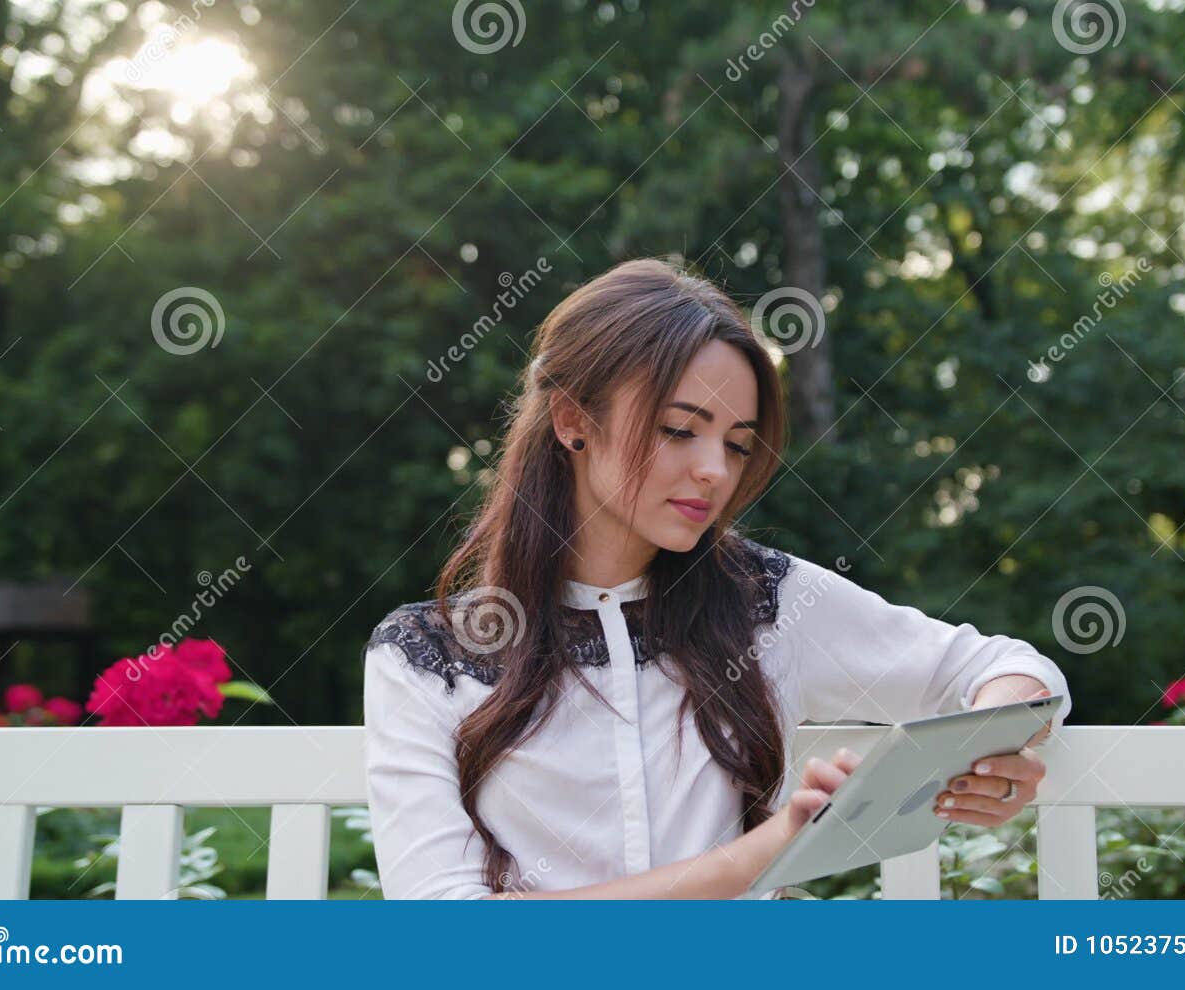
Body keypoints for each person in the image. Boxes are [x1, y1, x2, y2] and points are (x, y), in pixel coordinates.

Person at [362, 257, 1071, 899]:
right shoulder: (425, 655)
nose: (715, 470)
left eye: (736, 443)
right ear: (574, 421)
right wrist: (772, 848)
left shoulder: (767, 602)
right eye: (679, 430)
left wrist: (989, 755)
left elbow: (1004, 666)